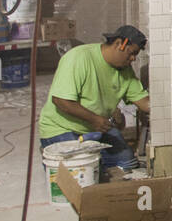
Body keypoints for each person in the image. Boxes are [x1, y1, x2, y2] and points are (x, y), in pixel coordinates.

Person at [38, 25, 151, 181]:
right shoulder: (79, 58)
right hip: (62, 128)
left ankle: (91, 161)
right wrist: (95, 119)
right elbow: (60, 100)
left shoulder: (125, 71)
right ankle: (52, 152)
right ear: (119, 44)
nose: (133, 59)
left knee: (128, 163)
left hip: (95, 128)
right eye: (131, 53)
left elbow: (144, 102)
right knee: (80, 174)